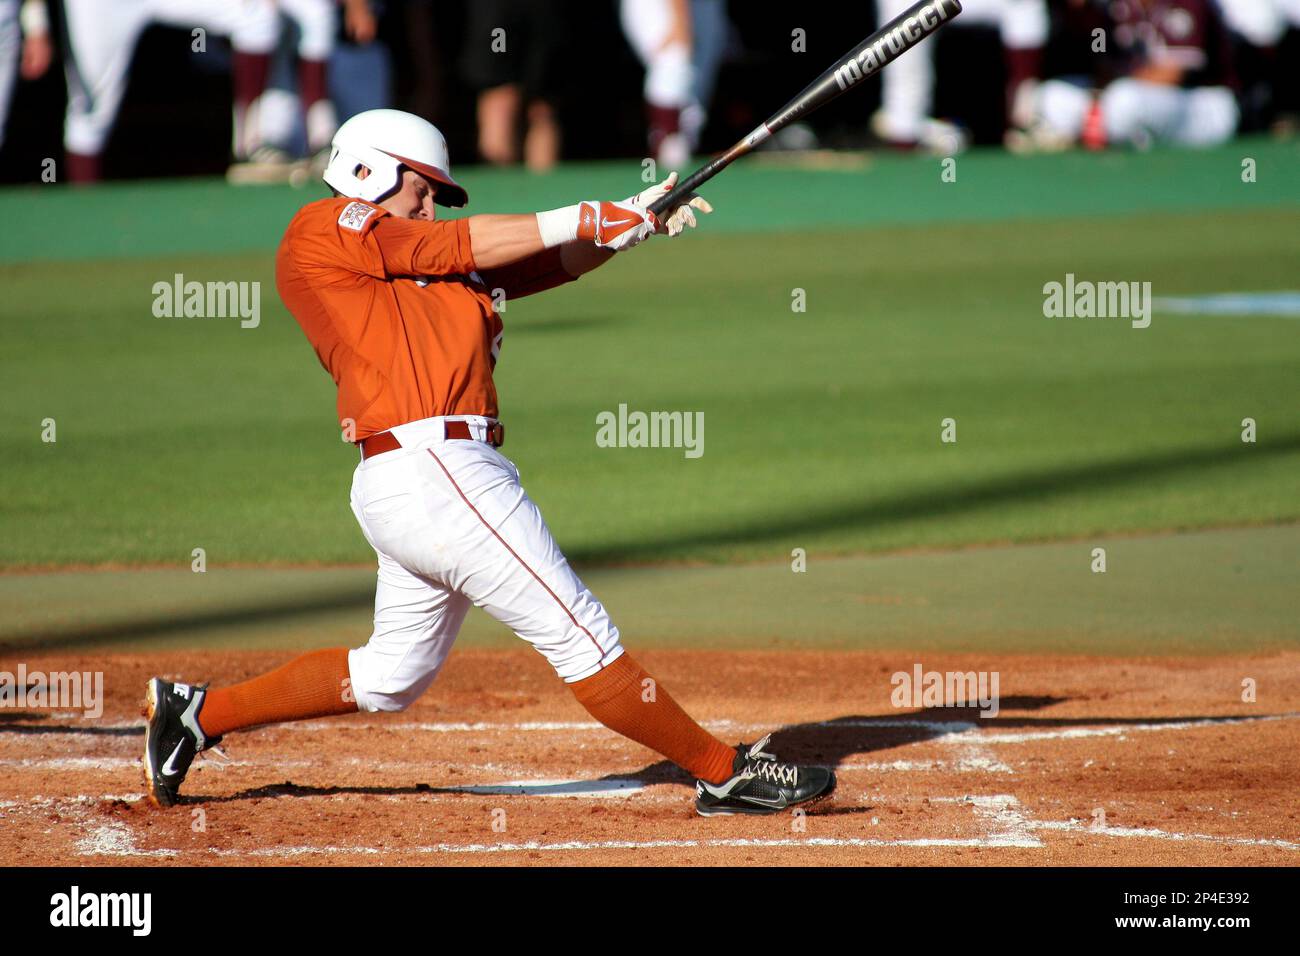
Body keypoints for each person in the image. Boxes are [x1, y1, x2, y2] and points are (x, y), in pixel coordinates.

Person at [143, 108, 838, 818]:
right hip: (434, 471)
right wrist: (586, 214)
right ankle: (723, 774)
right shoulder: (325, 229)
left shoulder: (441, 265)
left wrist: (634, 223)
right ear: (370, 169)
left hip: (429, 480)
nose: (431, 200)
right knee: (579, 632)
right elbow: (470, 240)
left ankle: (198, 713)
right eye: (423, 185)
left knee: (390, 676)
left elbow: (554, 259)